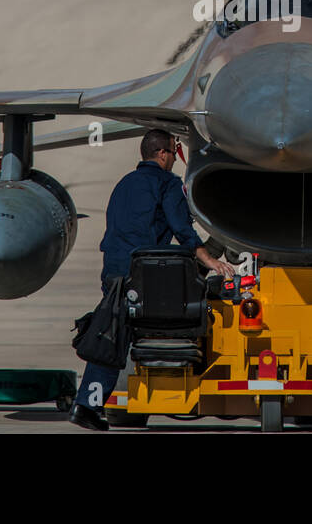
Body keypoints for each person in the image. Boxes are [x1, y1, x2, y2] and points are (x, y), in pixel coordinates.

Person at [68, 130, 234, 431]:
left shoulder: (124, 184)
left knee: (112, 333)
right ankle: (172, 385)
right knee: (177, 319)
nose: (174, 157)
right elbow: (182, 229)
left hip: (114, 270)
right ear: (163, 154)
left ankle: (87, 405)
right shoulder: (167, 184)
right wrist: (211, 261)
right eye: (174, 152)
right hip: (143, 275)